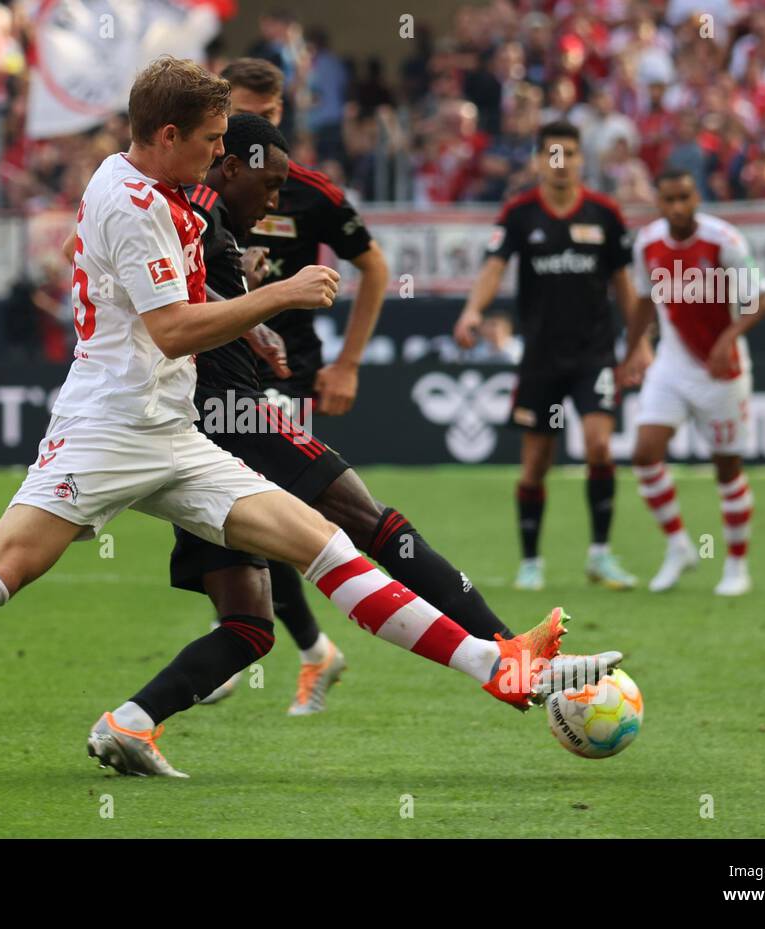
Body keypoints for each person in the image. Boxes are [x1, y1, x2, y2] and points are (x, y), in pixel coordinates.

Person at [0, 58, 589, 784]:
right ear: (167, 135)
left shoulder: (159, 189)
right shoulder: (129, 202)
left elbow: (178, 311)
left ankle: (495, 665)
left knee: (324, 543)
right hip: (106, 428)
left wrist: (250, 317)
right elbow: (168, 328)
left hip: (174, 431)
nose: (218, 155)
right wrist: (283, 293)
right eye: (209, 139)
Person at [169, 114, 609, 719]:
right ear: (227, 157)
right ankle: (508, 655)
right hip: (224, 413)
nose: (276, 196)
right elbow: (167, 295)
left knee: (248, 619)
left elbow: (178, 286)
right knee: (354, 523)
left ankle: (130, 723)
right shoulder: (182, 203)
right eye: (266, 179)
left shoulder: (206, 202)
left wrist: (267, 320)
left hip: (192, 420)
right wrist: (265, 303)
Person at [203, 57, 394, 704]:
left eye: (263, 113)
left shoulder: (311, 192)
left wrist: (349, 363)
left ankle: (245, 637)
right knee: (239, 511)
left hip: (284, 370)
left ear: (281, 116)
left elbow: (375, 267)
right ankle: (305, 646)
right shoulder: (188, 188)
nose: (246, 127)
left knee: (264, 504)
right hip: (208, 370)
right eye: (232, 114)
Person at [453, 121, 641, 593]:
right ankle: (531, 561)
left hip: (593, 354)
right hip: (541, 358)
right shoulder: (519, 214)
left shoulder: (605, 214)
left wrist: (641, 341)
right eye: (552, 154)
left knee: (599, 445)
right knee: (536, 461)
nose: (562, 163)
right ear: (538, 161)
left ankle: (600, 554)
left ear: (582, 160)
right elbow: (494, 268)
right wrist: (473, 310)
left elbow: (624, 285)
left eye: (570, 154)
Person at [620, 168, 765, 596]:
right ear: (658, 201)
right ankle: (679, 546)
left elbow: (760, 300)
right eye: (669, 200)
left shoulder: (723, 241)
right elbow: (645, 302)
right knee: (645, 453)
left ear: (696, 196)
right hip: (672, 363)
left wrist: (729, 337)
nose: (677, 208)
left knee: (727, 469)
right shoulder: (648, 243)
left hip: (722, 372)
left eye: (685, 198)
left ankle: (736, 567)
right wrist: (630, 351)